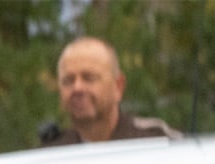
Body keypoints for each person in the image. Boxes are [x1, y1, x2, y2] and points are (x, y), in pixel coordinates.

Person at [37, 37, 181, 146]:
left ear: (118, 86)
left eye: (89, 78)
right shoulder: (51, 156)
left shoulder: (157, 144)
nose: (77, 88)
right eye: (68, 80)